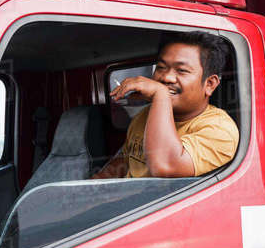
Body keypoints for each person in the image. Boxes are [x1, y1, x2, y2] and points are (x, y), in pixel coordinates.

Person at [92, 31, 239, 179]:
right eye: (161, 67)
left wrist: (160, 94)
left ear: (209, 84)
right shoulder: (145, 115)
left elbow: (165, 166)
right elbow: (121, 164)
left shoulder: (220, 130)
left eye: (182, 70)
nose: (166, 77)